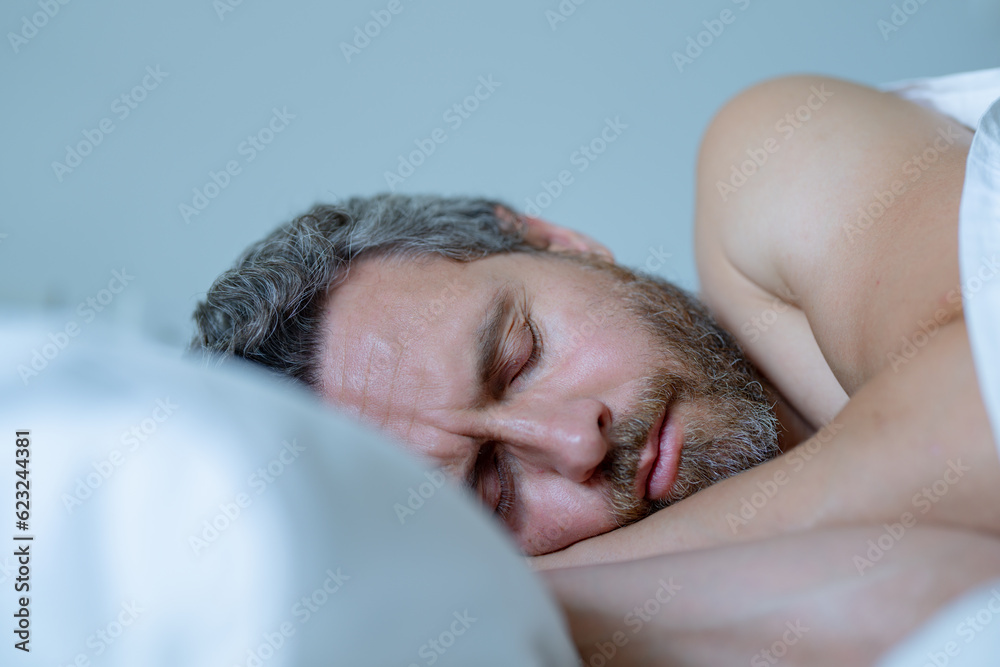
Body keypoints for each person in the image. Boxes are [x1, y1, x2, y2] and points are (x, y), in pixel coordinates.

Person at [192, 74, 1000, 566]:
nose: (578, 441)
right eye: (494, 490)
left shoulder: (771, 166)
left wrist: (570, 587)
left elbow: (986, 402)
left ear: (555, 240)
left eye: (521, 355)